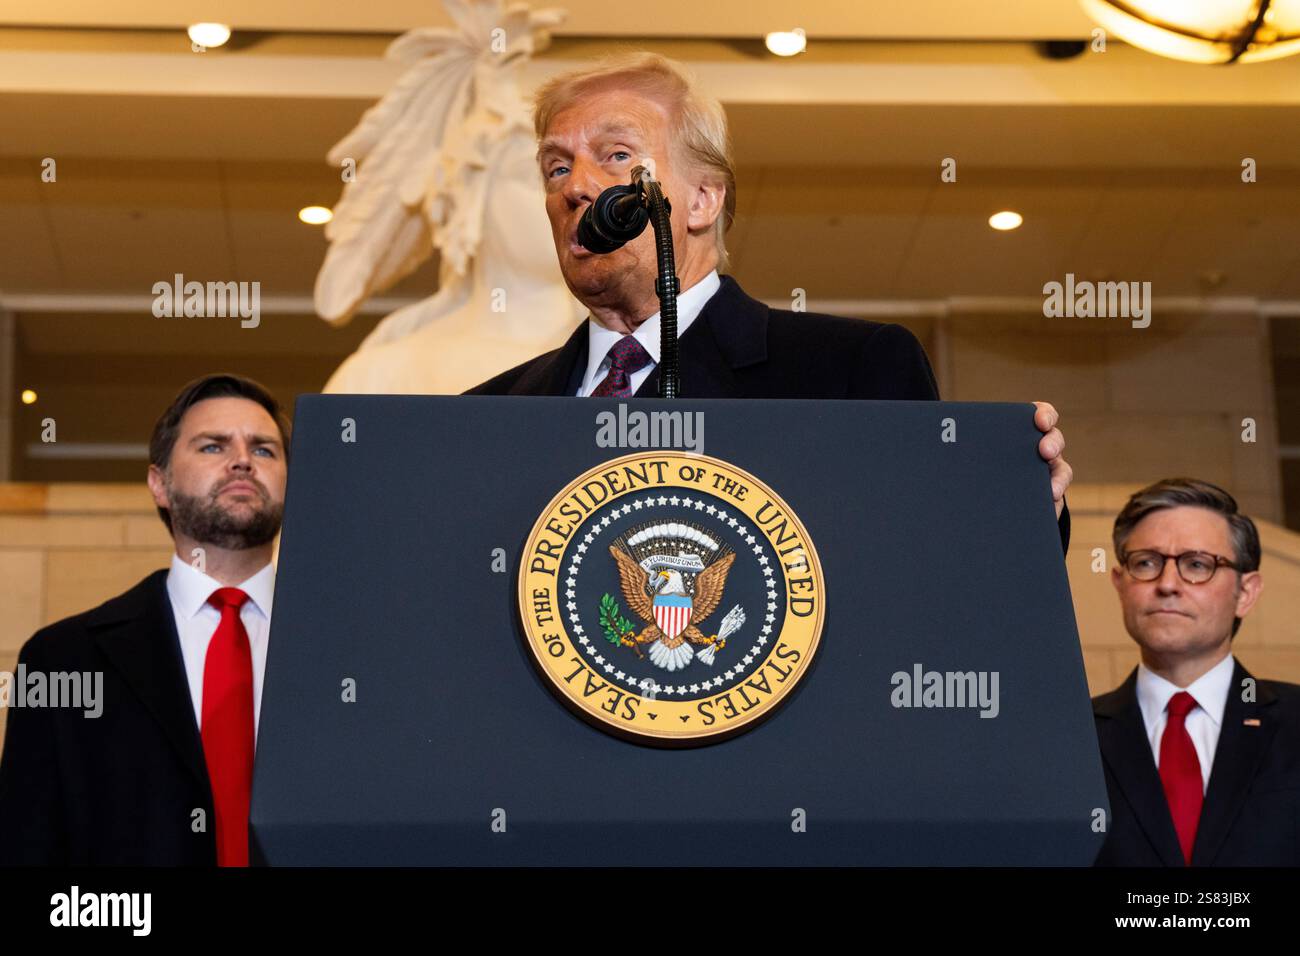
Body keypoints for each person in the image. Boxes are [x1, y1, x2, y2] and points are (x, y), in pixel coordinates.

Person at [465, 52, 1073, 551]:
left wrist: (1017, 511)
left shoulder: (848, 371)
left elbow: (934, 564)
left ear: (702, 200)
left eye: (617, 155)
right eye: (555, 167)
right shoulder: (482, 418)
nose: (575, 187)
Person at [0, 374, 289, 866]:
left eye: (263, 450)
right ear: (160, 484)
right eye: (213, 446)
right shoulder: (62, 659)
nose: (242, 459)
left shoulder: (353, 654)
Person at [1093, 478, 1300, 866]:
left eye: (1197, 564)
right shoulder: (1075, 738)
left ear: (1246, 592)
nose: (1168, 584)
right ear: (1120, 584)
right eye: (1146, 563)